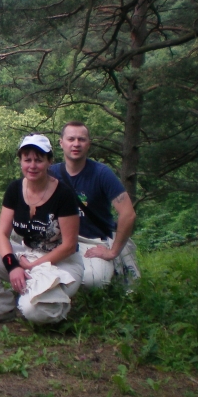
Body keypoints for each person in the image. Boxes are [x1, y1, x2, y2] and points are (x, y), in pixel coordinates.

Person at [0, 135, 83, 326]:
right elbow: (2, 235)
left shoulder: (64, 194)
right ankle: (1, 310)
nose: (32, 165)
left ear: (49, 162)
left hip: (61, 262)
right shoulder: (14, 189)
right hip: (27, 254)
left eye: (39, 159)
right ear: (20, 161)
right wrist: (13, 266)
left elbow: (69, 245)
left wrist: (32, 266)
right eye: (27, 159)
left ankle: (53, 305)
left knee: (32, 311)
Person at [49, 121, 139, 288]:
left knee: (94, 282)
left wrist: (113, 252)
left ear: (88, 143)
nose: (76, 144)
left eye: (81, 139)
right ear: (61, 143)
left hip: (94, 241)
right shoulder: (50, 174)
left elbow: (128, 214)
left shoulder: (101, 173)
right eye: (71, 139)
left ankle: (109, 271)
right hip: (59, 241)